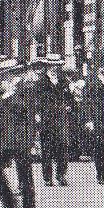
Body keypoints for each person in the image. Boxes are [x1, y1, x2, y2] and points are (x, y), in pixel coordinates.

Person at [0, 61, 39, 208]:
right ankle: (10, 205)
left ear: (10, 76)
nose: (0, 81)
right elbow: (0, 118)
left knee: (24, 175)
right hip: (8, 140)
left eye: (3, 77)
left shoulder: (24, 91)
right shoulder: (8, 93)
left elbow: (30, 118)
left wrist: (30, 141)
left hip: (20, 141)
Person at [35, 53, 71, 186]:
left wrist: (69, 106)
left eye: (57, 66)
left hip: (61, 117)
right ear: (47, 66)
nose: (54, 68)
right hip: (47, 118)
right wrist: (38, 114)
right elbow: (36, 100)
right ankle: (47, 177)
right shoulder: (41, 82)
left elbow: (69, 97)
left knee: (62, 147)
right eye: (52, 66)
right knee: (47, 149)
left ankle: (61, 175)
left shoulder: (63, 80)